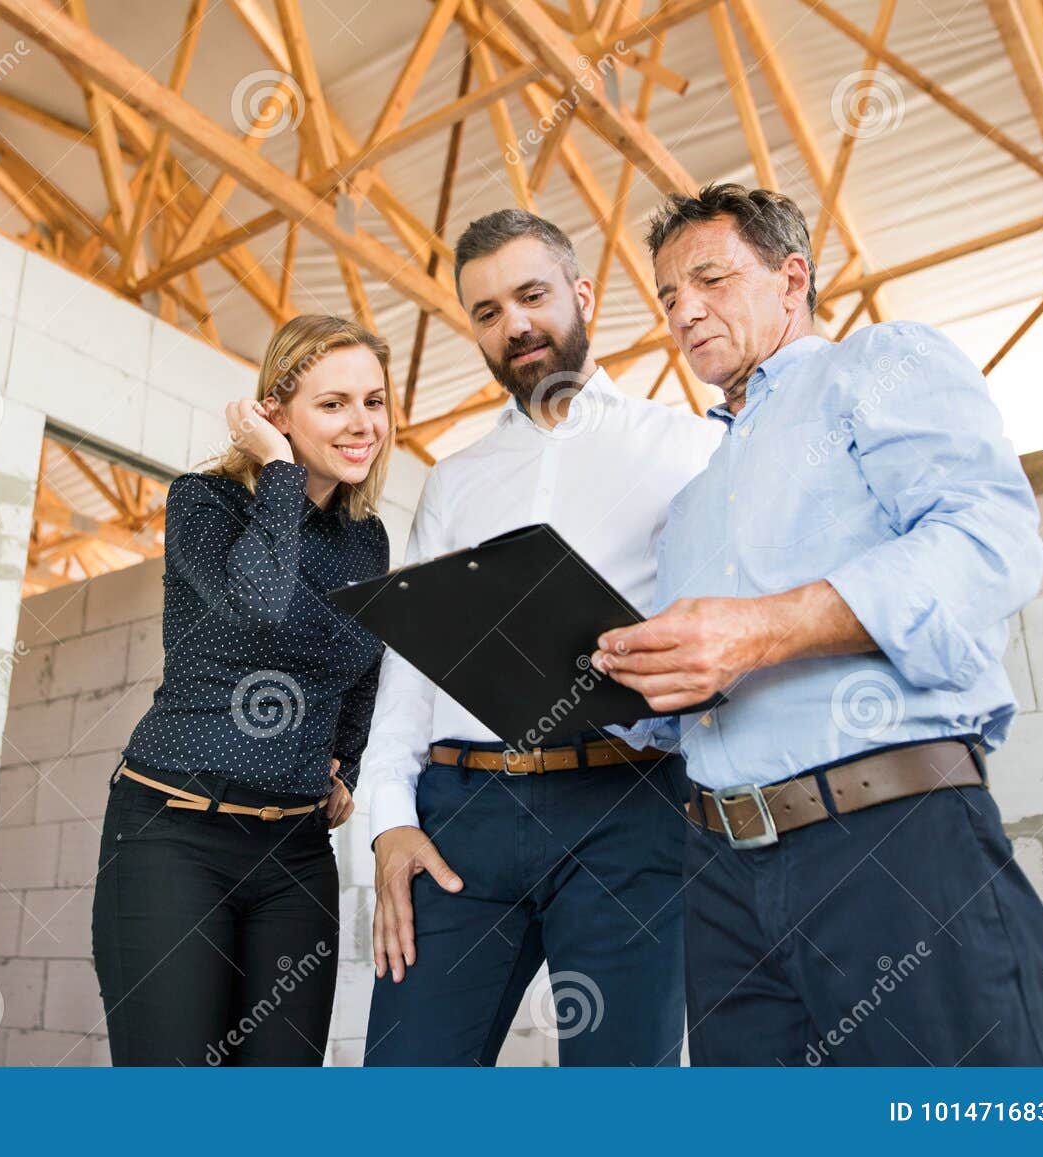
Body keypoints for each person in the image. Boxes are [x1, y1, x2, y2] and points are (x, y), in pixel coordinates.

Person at [594, 183, 1043, 1066]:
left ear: (791, 278)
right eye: (666, 298)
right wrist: (625, 678)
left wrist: (762, 630)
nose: (684, 311)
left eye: (710, 279)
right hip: (721, 876)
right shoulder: (689, 505)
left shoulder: (878, 364)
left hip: (891, 841)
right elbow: (705, 684)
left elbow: (986, 546)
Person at [360, 210, 721, 1066]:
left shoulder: (689, 446)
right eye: (487, 312)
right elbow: (409, 670)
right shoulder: (456, 481)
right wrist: (387, 825)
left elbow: (722, 637)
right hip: (461, 822)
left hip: (628, 813)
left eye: (531, 295)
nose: (514, 323)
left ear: (581, 295)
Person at [92, 314, 392, 1066]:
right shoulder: (204, 501)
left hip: (295, 852)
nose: (363, 424)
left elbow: (363, 659)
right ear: (276, 413)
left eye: (374, 401)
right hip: (173, 832)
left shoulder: (367, 537)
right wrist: (282, 473)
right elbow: (257, 600)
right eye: (334, 404)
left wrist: (343, 763)